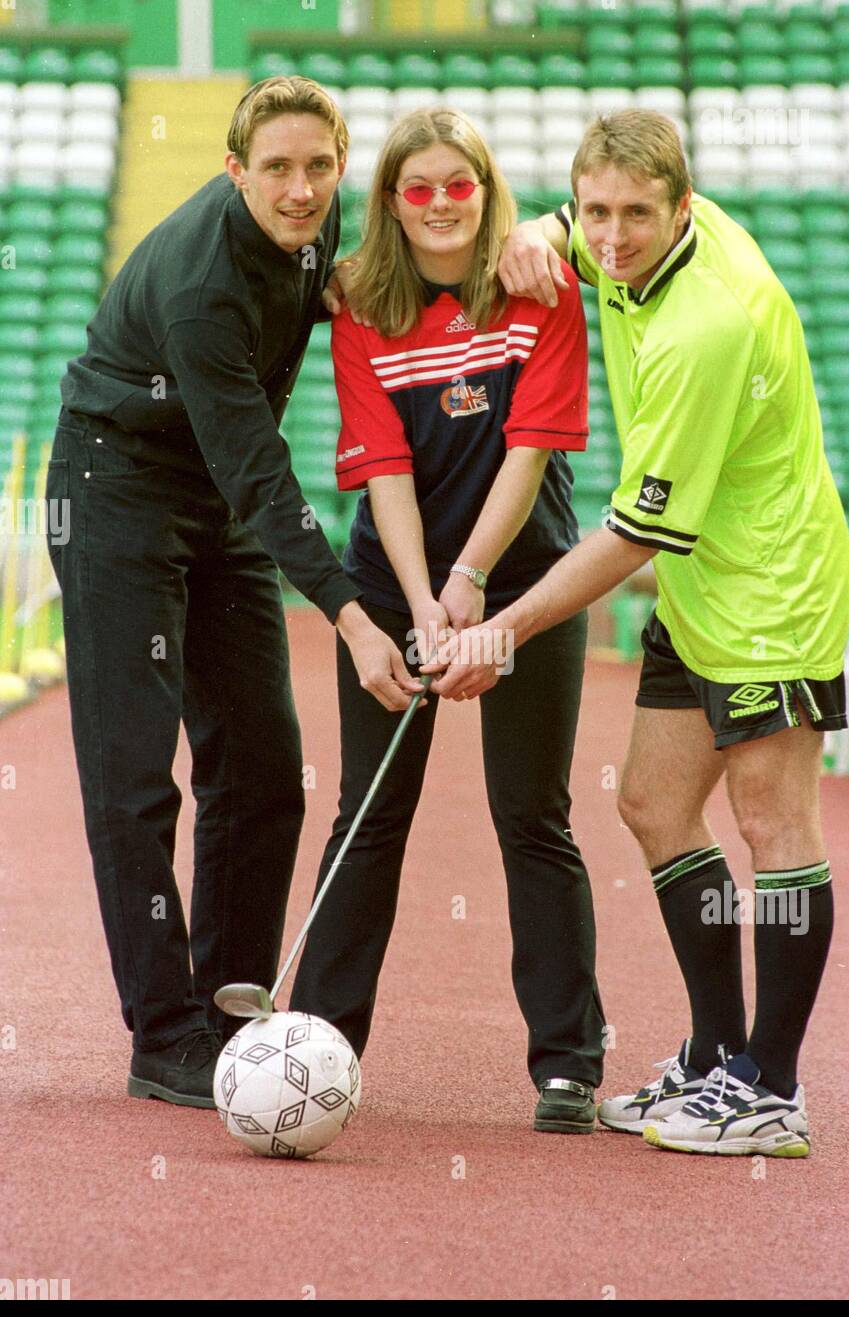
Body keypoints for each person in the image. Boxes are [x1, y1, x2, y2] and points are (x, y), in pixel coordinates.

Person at [427, 109, 849, 1157]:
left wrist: (503, 629)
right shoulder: (616, 229)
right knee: (654, 804)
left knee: (772, 822)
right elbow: (572, 225)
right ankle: (712, 1059)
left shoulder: (707, 324)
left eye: (635, 217)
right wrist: (540, 228)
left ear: (682, 204)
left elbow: (631, 534)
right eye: (597, 212)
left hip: (770, 590)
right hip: (700, 585)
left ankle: (772, 1088)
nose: (610, 239)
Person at [47, 77, 421, 1110]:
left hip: (215, 489)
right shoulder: (201, 288)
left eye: (317, 168)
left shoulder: (327, 214)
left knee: (261, 762)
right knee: (134, 776)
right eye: (275, 170)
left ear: (339, 168)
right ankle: (162, 1033)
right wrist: (349, 613)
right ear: (232, 170)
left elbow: (438, 223)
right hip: (117, 482)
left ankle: (229, 1010)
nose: (299, 191)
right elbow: (258, 471)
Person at [289, 107, 607, 1133]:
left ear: (484, 188)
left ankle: (566, 1067)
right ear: (388, 199)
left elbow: (530, 447)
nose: (436, 206)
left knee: (533, 818)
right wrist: (423, 604)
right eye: (415, 188)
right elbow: (379, 463)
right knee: (367, 817)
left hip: (525, 589)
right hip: (394, 589)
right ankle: (318, 1045)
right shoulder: (360, 308)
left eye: (456, 186)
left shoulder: (536, 288)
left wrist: (473, 589)